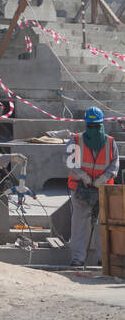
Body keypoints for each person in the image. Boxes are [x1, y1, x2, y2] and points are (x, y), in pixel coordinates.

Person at [47, 107, 119, 266]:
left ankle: (104, 260)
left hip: (103, 189)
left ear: (102, 125)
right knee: (79, 226)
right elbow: (69, 161)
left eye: (97, 126)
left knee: (102, 225)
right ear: (87, 125)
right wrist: (83, 176)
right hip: (81, 189)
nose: (94, 129)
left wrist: (104, 178)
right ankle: (78, 259)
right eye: (91, 126)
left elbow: (115, 165)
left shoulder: (110, 142)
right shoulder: (76, 140)